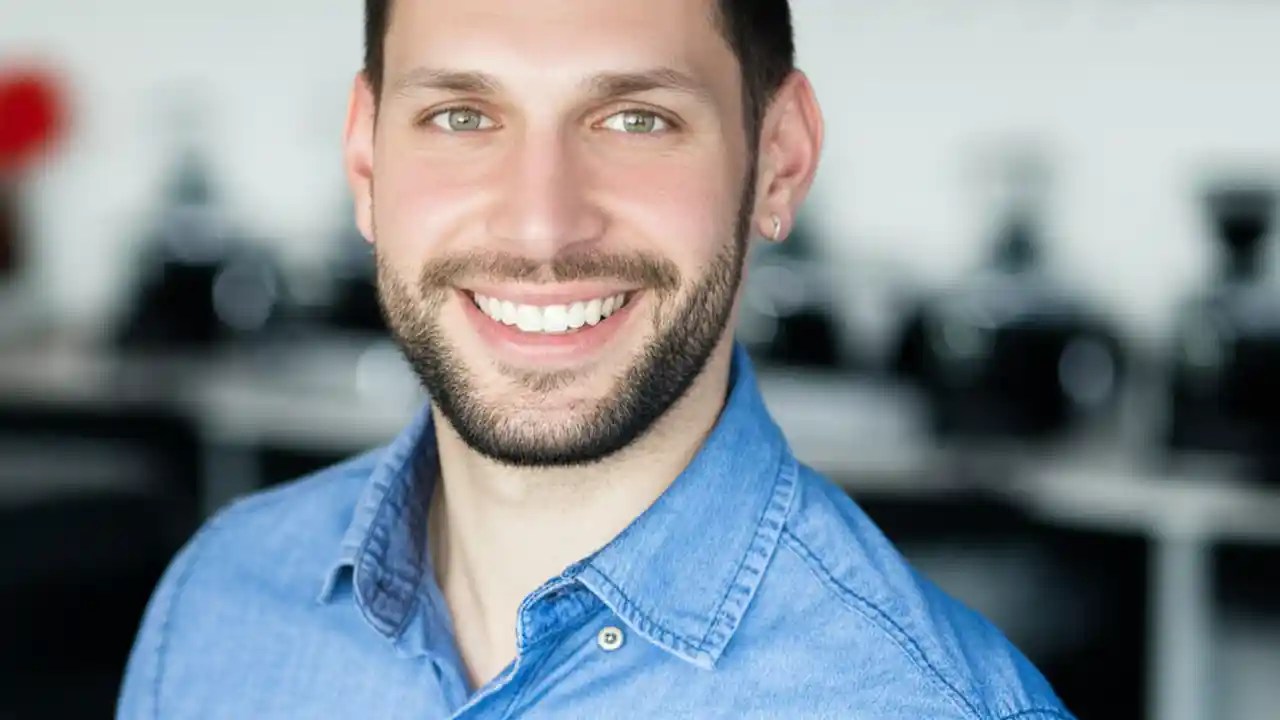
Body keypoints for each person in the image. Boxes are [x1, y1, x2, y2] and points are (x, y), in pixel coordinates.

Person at [118, 1, 1074, 717]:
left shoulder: (928, 704)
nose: (542, 227)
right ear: (365, 161)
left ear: (779, 161)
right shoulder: (216, 611)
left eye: (636, 119)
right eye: (461, 116)